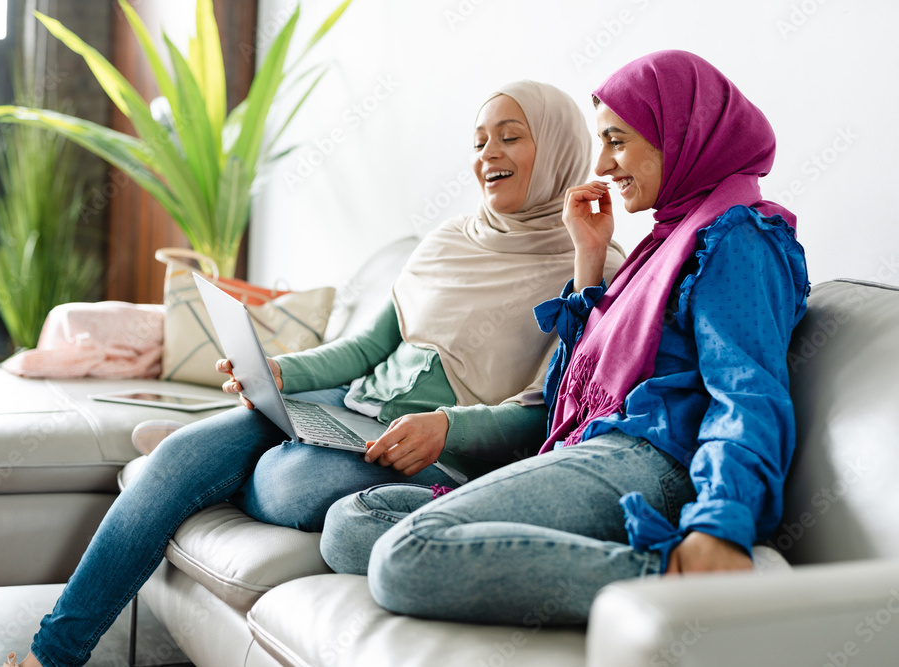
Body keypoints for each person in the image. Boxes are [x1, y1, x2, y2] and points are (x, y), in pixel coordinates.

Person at [0, 81, 626, 666]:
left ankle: (222, 455)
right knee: (178, 460)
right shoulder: (447, 241)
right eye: (479, 139)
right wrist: (278, 370)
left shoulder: (592, 265)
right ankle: (50, 654)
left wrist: (447, 426)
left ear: (558, 145)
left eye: (510, 135)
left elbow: (552, 412)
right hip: (350, 406)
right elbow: (365, 349)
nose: (488, 152)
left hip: (433, 453)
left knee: (285, 482)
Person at [319, 49, 810, 626]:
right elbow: (576, 385)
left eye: (618, 141)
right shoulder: (665, 240)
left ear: (680, 135)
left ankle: (707, 587)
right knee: (351, 525)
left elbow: (748, 395)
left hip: (653, 459)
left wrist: (721, 524)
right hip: (595, 447)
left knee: (403, 558)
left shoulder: (739, 238)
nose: (601, 163)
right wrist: (590, 256)